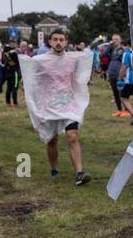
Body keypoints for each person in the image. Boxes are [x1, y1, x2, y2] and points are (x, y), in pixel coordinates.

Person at [28, 28, 91, 185]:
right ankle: (54, 168)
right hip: (49, 106)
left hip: (69, 104)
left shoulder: (73, 59)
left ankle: (79, 173)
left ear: (66, 42)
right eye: (55, 39)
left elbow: (82, 72)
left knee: (72, 136)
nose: (58, 42)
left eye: (61, 40)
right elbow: (29, 78)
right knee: (52, 140)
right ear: (49, 42)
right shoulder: (39, 60)